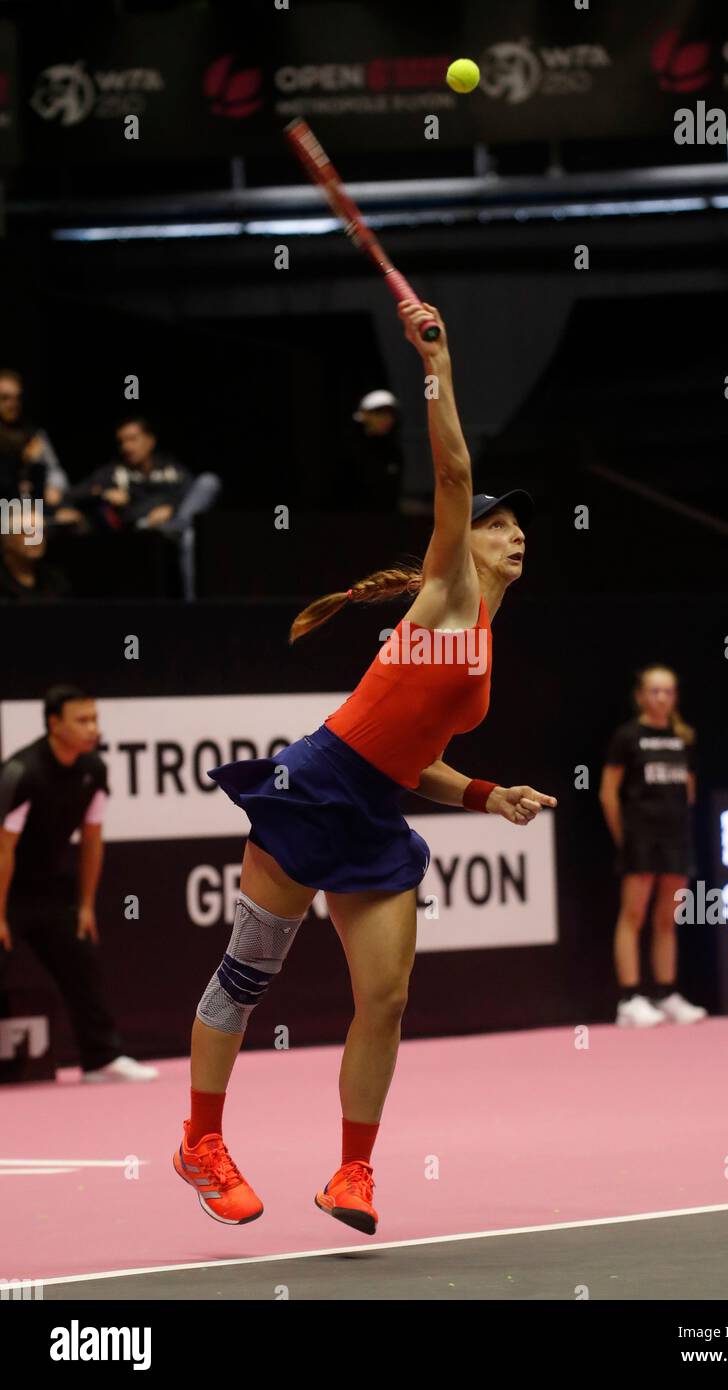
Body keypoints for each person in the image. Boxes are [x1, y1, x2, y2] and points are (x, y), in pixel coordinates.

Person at [173, 299, 557, 1234]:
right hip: (315, 789)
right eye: (497, 523)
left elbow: (414, 758)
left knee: (384, 999)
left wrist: (481, 791)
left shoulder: (484, 648)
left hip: (375, 812)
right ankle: (200, 1142)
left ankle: (354, 1174)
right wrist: (439, 364)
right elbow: (456, 468)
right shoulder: (449, 593)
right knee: (246, 978)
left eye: (519, 527)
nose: (511, 534)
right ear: (461, 545)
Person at [0, 686, 158, 1082]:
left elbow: (91, 838)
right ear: (54, 725)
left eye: (95, 719)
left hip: (48, 890)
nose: (93, 728)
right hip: (5, 890)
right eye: (82, 720)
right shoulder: (22, 774)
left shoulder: (94, 770)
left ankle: (101, 1058)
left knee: (80, 956)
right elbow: (3, 849)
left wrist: (86, 905)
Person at [599, 665, 708, 1028]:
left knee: (668, 918)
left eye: (668, 691)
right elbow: (608, 793)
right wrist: (625, 837)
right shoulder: (627, 738)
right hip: (640, 839)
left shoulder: (683, 739)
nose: (662, 697)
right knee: (633, 916)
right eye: (655, 691)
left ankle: (666, 993)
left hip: (676, 839)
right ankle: (629, 1000)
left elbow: (688, 792)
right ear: (641, 696)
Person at [58, 417, 222, 599]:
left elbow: (192, 495)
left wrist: (171, 508)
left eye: (132, 439)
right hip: (142, 529)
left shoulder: (169, 467)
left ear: (150, 441)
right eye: (122, 442)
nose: (126, 447)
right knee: (189, 535)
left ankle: (176, 528)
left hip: (173, 523)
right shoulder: (114, 472)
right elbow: (70, 494)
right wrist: (104, 494)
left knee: (208, 482)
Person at [0, 368, 69, 508]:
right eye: (5, 398)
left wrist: (54, 487)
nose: (13, 404)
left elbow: (55, 471)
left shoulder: (33, 434)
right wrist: (23, 460)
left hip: (31, 506)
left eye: (17, 398)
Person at [340, 389, 405, 513]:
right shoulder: (348, 451)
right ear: (364, 414)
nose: (386, 418)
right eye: (379, 412)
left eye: (390, 413)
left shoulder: (394, 452)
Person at [0, 528, 70, 601]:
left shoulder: (57, 581)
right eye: (27, 531)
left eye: (41, 531)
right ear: (6, 538)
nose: (37, 538)